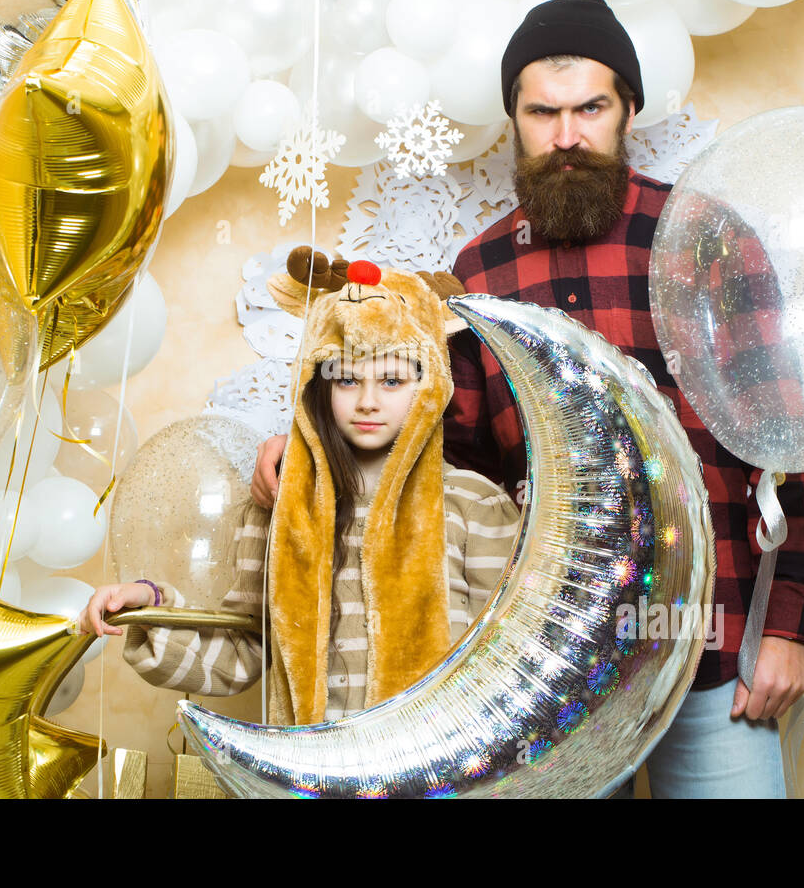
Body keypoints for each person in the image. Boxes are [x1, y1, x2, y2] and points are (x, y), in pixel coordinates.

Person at [251, 0, 804, 796]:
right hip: (545, 669)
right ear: (513, 121)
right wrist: (317, 446)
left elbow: (784, 437)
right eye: (542, 113)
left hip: (711, 647)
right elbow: (443, 455)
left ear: (629, 108)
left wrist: (788, 630)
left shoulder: (707, 240)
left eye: (590, 108)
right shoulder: (480, 274)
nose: (566, 137)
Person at [82, 250, 521, 724]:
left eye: (392, 380)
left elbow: (507, 655)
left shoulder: (475, 504)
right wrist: (150, 610)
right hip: (316, 778)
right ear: (318, 383)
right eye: (347, 379)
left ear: (429, 384)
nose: (368, 402)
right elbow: (245, 647)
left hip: (438, 772)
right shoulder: (279, 505)